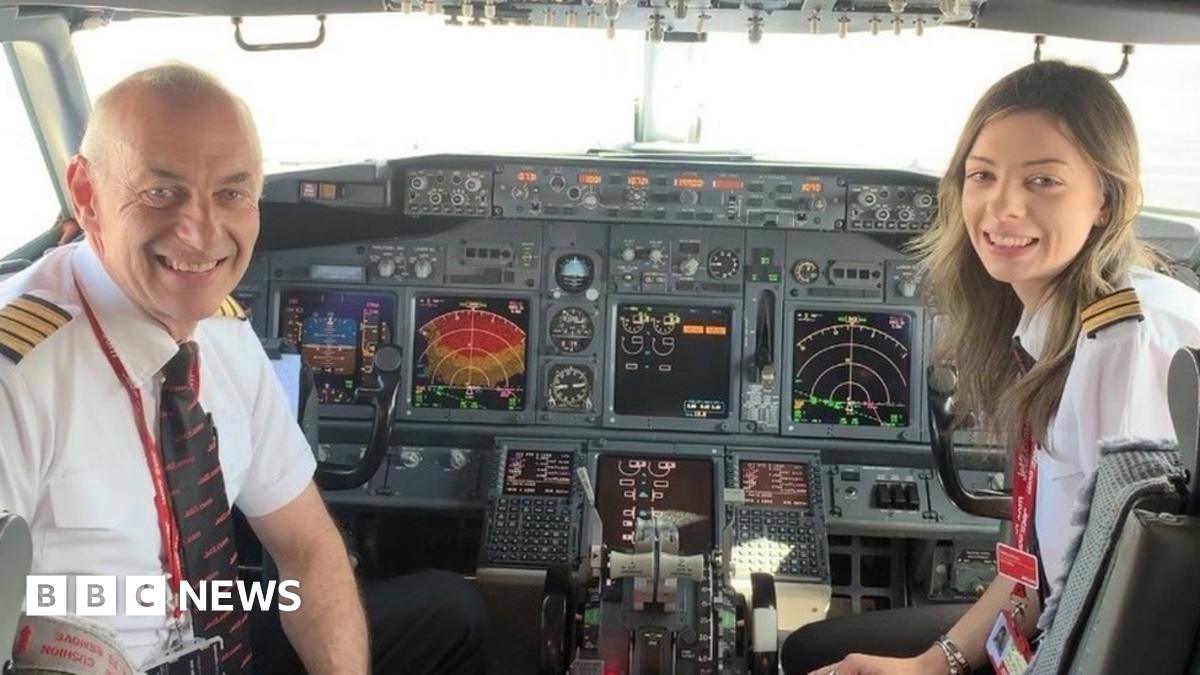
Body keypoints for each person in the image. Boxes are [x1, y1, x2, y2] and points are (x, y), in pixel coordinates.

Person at [0, 63, 485, 674]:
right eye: (161, 191)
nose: (201, 234)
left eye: (230, 193)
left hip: (208, 638)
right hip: (80, 659)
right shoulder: (18, 375)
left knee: (448, 612)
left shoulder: (224, 335)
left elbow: (307, 549)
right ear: (88, 194)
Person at [782, 60, 1200, 675]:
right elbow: (1044, 559)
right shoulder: (1051, 326)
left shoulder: (1128, 343)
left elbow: (1138, 611)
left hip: (1095, 647)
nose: (1001, 207)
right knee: (816, 650)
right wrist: (933, 665)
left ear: (1105, 200)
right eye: (983, 176)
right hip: (1063, 625)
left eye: (1042, 181)